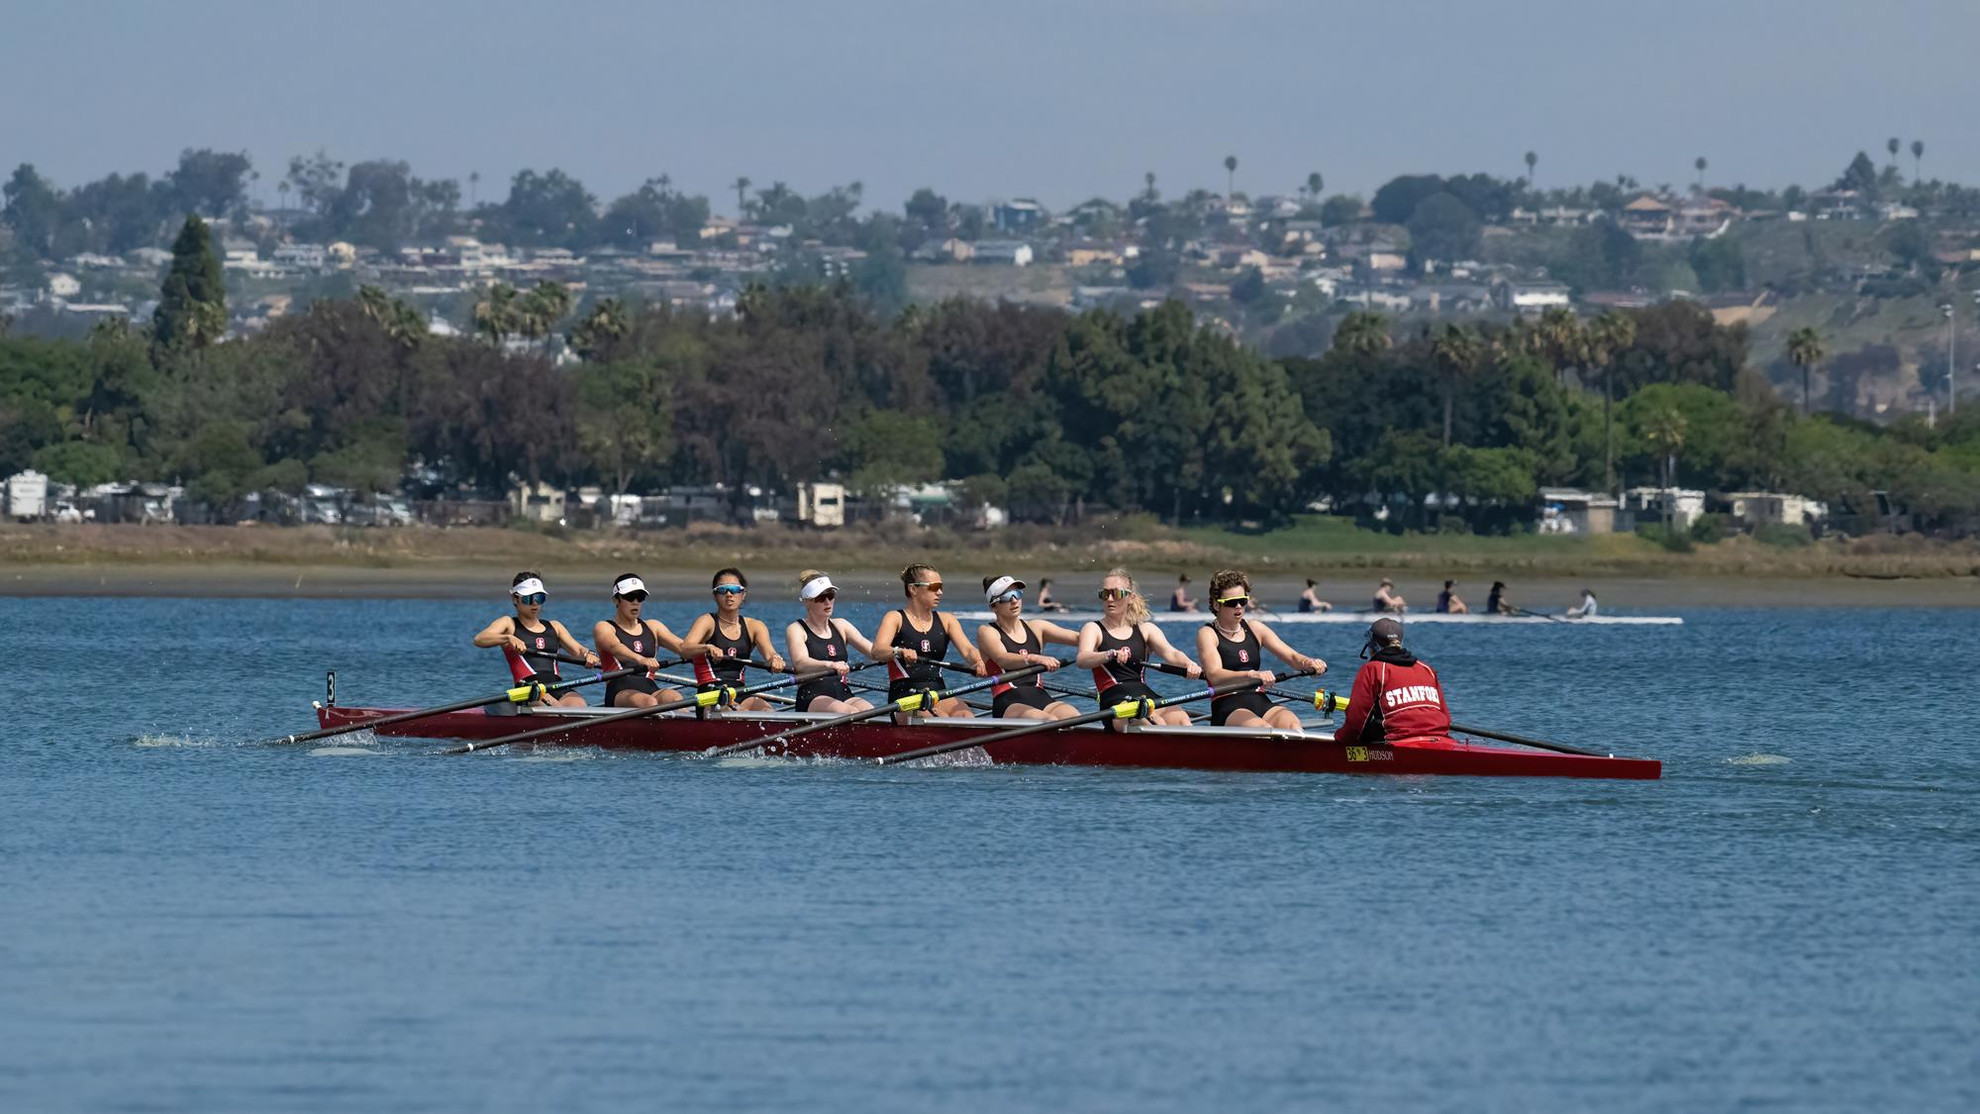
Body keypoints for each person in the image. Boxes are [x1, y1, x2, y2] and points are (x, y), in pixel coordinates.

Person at [1193, 570, 1326, 731]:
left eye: (1243, 601)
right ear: (1216, 604)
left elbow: (1292, 657)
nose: (1239, 607)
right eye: (1231, 602)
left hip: (1259, 699)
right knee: (1261, 729)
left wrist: (1309, 663)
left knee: (1292, 724)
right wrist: (1250, 674)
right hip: (1228, 705)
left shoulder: (1256, 628)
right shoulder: (1207, 634)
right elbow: (1214, 675)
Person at [1075, 567, 1202, 727]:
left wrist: (1189, 664)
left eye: (1116, 593)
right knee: (1155, 723)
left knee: (1182, 719)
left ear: (1130, 597)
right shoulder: (1093, 628)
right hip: (1115, 700)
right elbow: (1082, 659)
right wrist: (1109, 654)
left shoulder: (1146, 629)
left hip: (1144, 694)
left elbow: (1171, 653)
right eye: (1105, 594)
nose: (1109, 599)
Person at [870, 564, 987, 719]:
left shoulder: (947, 620)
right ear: (913, 589)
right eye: (934, 587)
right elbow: (877, 651)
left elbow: (968, 650)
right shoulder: (895, 618)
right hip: (905, 696)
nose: (940, 592)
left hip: (938, 693)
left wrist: (978, 661)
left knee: (965, 715)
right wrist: (899, 651)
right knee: (938, 717)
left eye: (941, 587)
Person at [472, 571, 599, 707]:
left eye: (539, 598)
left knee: (579, 705)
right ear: (515, 599)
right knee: (555, 708)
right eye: (528, 598)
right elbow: (480, 639)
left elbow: (578, 650)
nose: (535, 604)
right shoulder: (508, 624)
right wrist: (508, 638)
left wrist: (588, 654)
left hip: (557, 685)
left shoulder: (555, 626)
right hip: (528, 689)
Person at [974, 574, 1082, 721]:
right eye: (1006, 597)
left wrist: (1107, 635)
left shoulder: (1037, 627)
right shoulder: (986, 631)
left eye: (1017, 594)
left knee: (1073, 716)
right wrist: (1035, 658)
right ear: (993, 606)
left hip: (1041, 697)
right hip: (1009, 703)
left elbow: (1079, 638)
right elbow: (1003, 659)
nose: (1014, 600)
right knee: (1049, 721)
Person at [1332, 617, 1452, 747]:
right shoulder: (1426, 669)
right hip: (1440, 740)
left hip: (1396, 743)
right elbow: (1446, 717)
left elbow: (1356, 722)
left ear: (1373, 646)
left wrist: (1340, 741)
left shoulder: (1373, 669)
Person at [680, 568, 788, 712]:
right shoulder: (707, 621)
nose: (729, 594)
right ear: (715, 595)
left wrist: (776, 659)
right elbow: (684, 649)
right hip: (710, 693)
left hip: (740, 692)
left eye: (734, 589)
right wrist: (707, 648)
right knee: (736, 711)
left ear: (743, 594)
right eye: (723, 590)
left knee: (767, 711)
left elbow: (770, 655)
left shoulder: (755, 626)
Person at [783, 570, 875, 715]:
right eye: (821, 598)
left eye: (830, 596)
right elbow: (800, 662)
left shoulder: (842, 625)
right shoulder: (796, 629)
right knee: (850, 712)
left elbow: (874, 652)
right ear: (807, 602)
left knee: (870, 711)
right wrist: (830, 665)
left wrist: (897, 651)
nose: (827, 602)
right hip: (813, 696)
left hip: (843, 693)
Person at [592, 573, 687, 708]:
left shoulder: (654, 626)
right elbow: (616, 648)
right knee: (649, 702)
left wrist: (707, 648)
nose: (635, 602)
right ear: (616, 599)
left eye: (640, 597)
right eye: (630, 597)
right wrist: (641, 660)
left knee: (674, 697)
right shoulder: (604, 627)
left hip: (650, 688)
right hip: (619, 692)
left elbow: (683, 647)